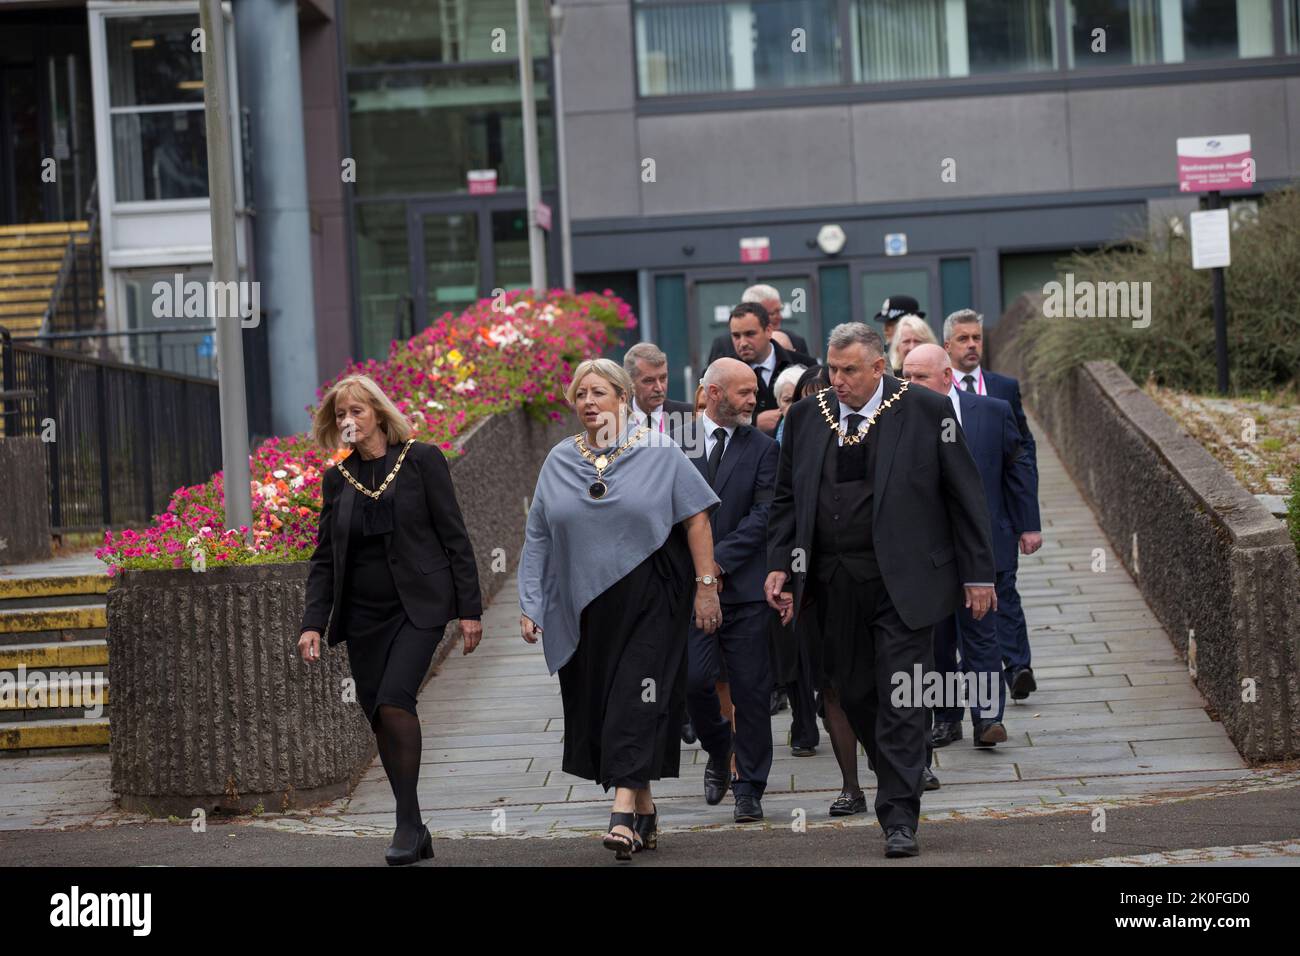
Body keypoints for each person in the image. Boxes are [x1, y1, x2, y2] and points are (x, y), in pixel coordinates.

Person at [765, 323, 995, 858]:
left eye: (848, 371)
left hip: (904, 583)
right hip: (829, 582)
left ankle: (898, 816)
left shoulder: (925, 411)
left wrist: (978, 574)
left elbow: (966, 495)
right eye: (832, 369)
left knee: (900, 693)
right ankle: (898, 767)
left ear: (878, 368)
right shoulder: (805, 417)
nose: (836, 380)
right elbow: (783, 499)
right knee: (852, 691)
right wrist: (779, 563)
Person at [517, 358, 722, 861]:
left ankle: (623, 813)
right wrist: (532, 601)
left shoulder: (659, 450)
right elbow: (539, 534)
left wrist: (706, 586)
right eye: (581, 394)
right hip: (583, 604)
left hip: (654, 593)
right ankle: (647, 810)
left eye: (599, 393)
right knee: (605, 704)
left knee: (636, 696)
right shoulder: (560, 459)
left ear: (623, 398)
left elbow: (696, 518)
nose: (589, 402)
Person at [298, 373, 483, 866]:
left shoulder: (421, 460)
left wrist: (469, 609)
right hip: (362, 617)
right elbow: (324, 559)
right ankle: (415, 826)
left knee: (397, 700)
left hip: (418, 608)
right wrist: (312, 622)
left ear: (378, 413)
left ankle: (405, 822)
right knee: (378, 713)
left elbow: (455, 537)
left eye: (357, 411)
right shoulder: (337, 478)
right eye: (340, 414)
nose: (348, 420)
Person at [902, 344, 1037, 750]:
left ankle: (987, 719)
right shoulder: (897, 418)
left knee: (981, 636)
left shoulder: (992, 412)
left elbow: (1018, 466)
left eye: (919, 377)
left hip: (983, 544)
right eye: (904, 376)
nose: (910, 385)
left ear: (946, 376)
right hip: (930, 553)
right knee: (939, 642)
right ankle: (946, 719)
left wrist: (1028, 524)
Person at [680, 358, 780, 823]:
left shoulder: (762, 448)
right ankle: (720, 751)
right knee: (696, 681)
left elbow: (764, 514)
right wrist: (699, 570)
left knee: (753, 691)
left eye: (754, 391)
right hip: (689, 592)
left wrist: (717, 562)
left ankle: (749, 786)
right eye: (744, 392)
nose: (753, 400)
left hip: (742, 589)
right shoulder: (675, 442)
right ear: (714, 394)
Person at [943, 309, 1043, 698]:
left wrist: (1027, 520)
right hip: (953, 520)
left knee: (1005, 587)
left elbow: (1023, 453)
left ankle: (1018, 667)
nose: (972, 345)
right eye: (964, 339)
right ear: (947, 345)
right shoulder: (933, 391)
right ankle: (978, 671)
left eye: (977, 338)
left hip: (997, 511)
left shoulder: (1003, 388)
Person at [728, 302, 809, 438]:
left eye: (750, 334)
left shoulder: (804, 365)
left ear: (769, 331)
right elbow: (710, 416)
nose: (742, 343)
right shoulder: (723, 373)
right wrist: (754, 421)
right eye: (736, 336)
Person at [708, 283, 813, 363]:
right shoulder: (723, 345)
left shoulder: (796, 341)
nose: (779, 317)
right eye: (772, 313)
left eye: (779, 311)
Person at [624, 342, 695, 441]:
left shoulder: (689, 416)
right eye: (649, 380)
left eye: (663, 378)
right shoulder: (617, 420)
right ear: (630, 382)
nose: (659, 388)